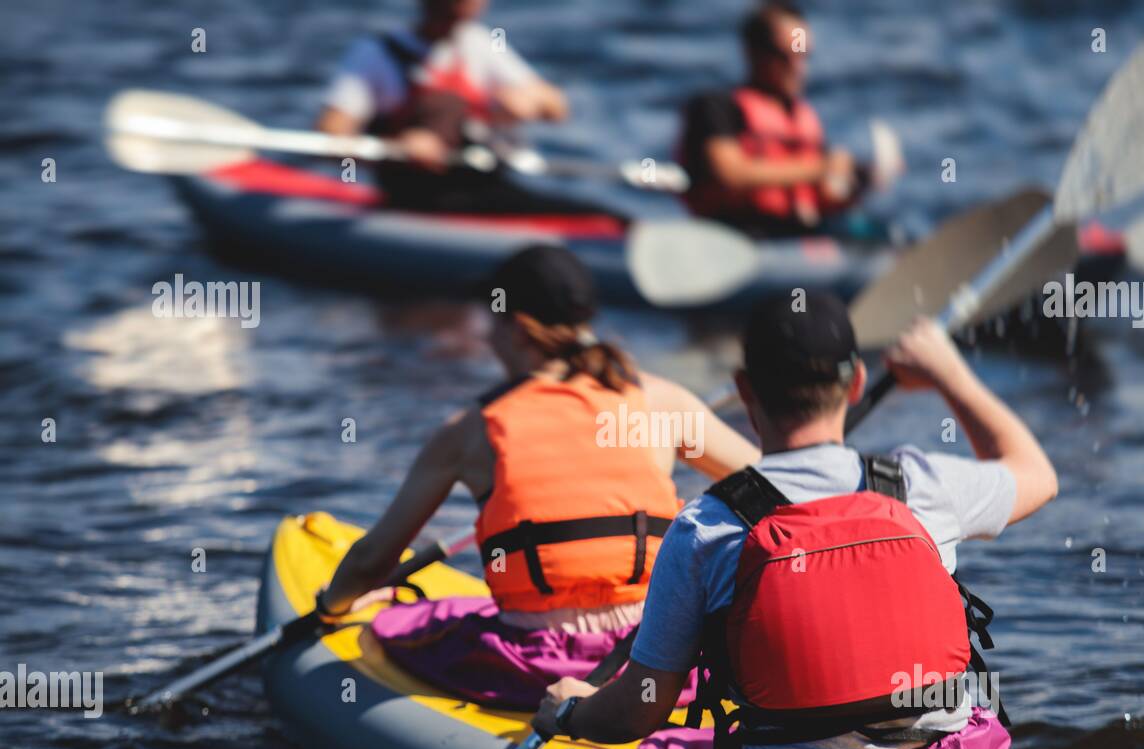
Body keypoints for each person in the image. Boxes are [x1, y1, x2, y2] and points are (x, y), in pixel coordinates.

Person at [534, 292, 1057, 749]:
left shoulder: (705, 526)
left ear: (744, 390)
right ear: (855, 384)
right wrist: (951, 375)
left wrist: (571, 711)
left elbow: (636, 712)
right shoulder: (921, 484)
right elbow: (1037, 474)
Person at [315, 246, 759, 709]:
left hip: (533, 665)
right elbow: (778, 488)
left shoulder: (471, 430)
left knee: (400, 625)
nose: (488, 339)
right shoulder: (661, 401)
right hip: (657, 660)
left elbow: (371, 560)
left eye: (494, 323)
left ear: (520, 329)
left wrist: (331, 607)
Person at [317, 0, 615, 217]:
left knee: (599, 215)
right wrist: (396, 147)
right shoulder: (375, 54)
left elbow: (557, 107)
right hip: (417, 197)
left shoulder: (479, 43)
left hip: (483, 188)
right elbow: (331, 135)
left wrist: (530, 100)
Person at [676, 3, 905, 237]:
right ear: (753, 52)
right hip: (736, 236)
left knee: (884, 233)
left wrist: (862, 180)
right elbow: (730, 174)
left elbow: (824, 198)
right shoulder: (716, 107)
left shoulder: (804, 118)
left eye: (803, 56)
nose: (797, 68)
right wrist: (823, 168)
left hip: (799, 240)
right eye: (785, 56)